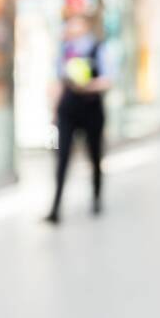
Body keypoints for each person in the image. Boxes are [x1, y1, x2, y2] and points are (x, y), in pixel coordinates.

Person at [45, 12, 111, 224]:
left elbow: (108, 80)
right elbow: (57, 81)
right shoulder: (65, 50)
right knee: (62, 157)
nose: (72, 28)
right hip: (68, 108)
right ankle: (56, 206)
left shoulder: (98, 49)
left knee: (94, 155)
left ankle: (96, 197)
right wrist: (53, 112)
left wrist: (88, 86)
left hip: (91, 108)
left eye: (76, 23)